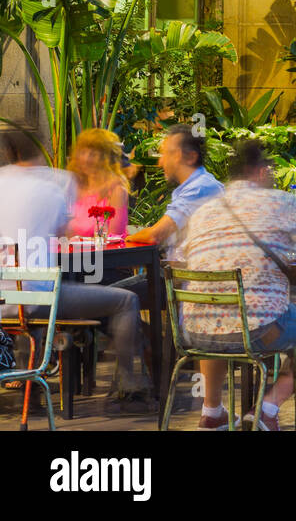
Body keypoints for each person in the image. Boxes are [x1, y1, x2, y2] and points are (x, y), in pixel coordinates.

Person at [180, 140, 296, 430]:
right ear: (260, 172)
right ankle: (267, 408)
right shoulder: (280, 201)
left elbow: (184, 260)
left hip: (194, 333)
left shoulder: (204, 211)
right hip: (258, 330)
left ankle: (212, 411)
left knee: (217, 314)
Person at [0, 129, 152, 410]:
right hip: (39, 295)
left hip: (5, 300)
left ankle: (29, 392)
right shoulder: (54, 185)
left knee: (28, 300)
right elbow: (65, 233)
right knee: (125, 300)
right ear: (37, 151)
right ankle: (130, 388)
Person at [125, 125, 223, 257]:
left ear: (191, 157)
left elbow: (156, 235)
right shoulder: (195, 186)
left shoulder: (200, 188)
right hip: (183, 272)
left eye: (167, 154)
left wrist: (127, 239)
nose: (160, 162)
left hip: (194, 275)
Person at [66, 128, 130, 238]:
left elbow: (114, 238)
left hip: (102, 254)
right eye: (83, 152)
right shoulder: (75, 185)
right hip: (71, 253)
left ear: (106, 158)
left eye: (93, 154)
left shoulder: (116, 191)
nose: (86, 159)